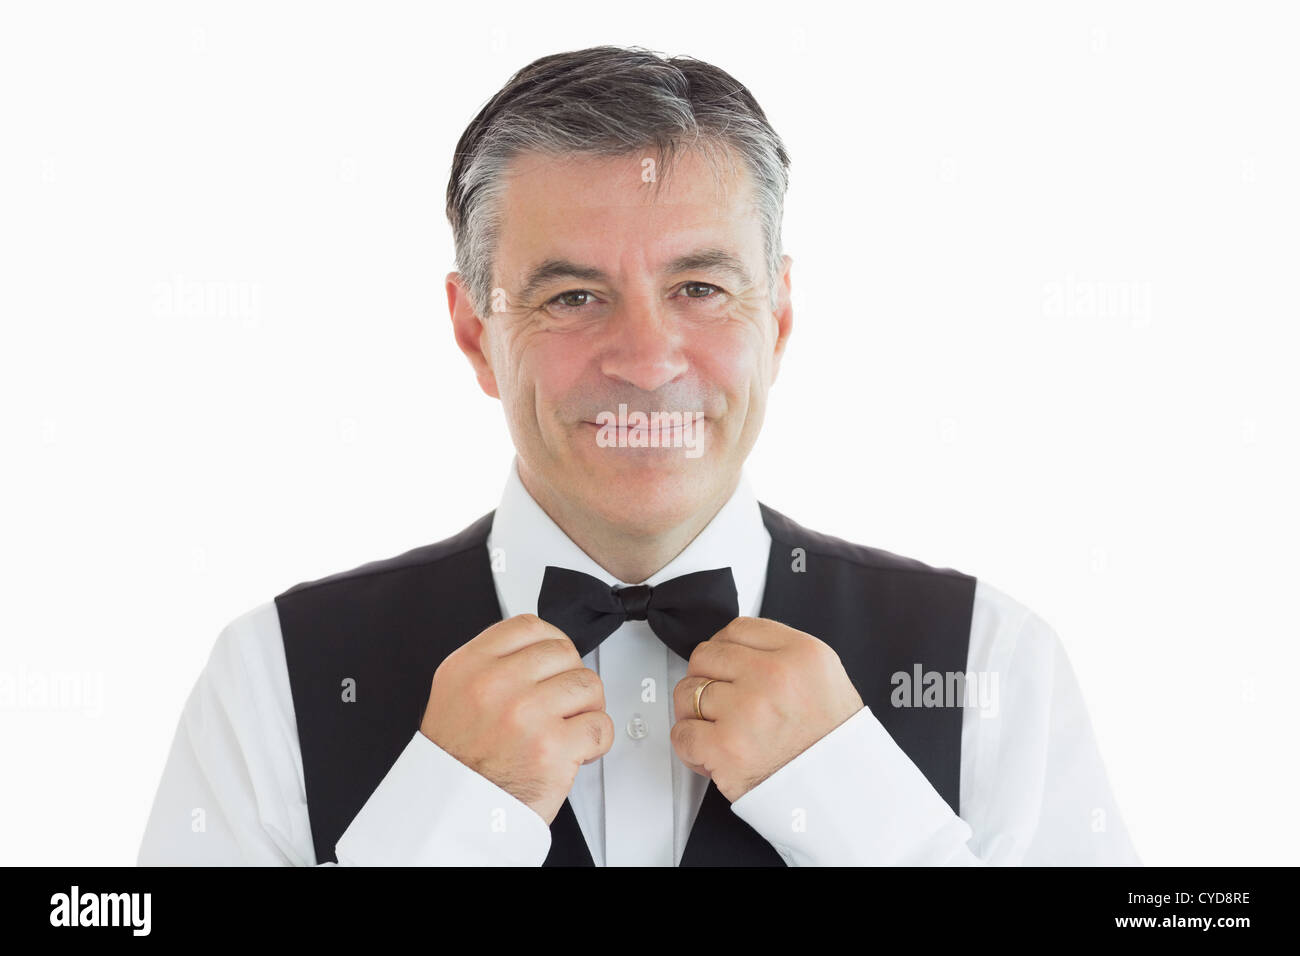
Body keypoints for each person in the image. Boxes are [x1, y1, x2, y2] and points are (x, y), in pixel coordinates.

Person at [137, 44, 1140, 866]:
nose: (647, 359)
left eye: (700, 287)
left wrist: (860, 810)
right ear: (473, 331)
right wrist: (441, 821)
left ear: (778, 315)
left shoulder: (990, 661)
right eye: (572, 296)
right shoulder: (271, 675)